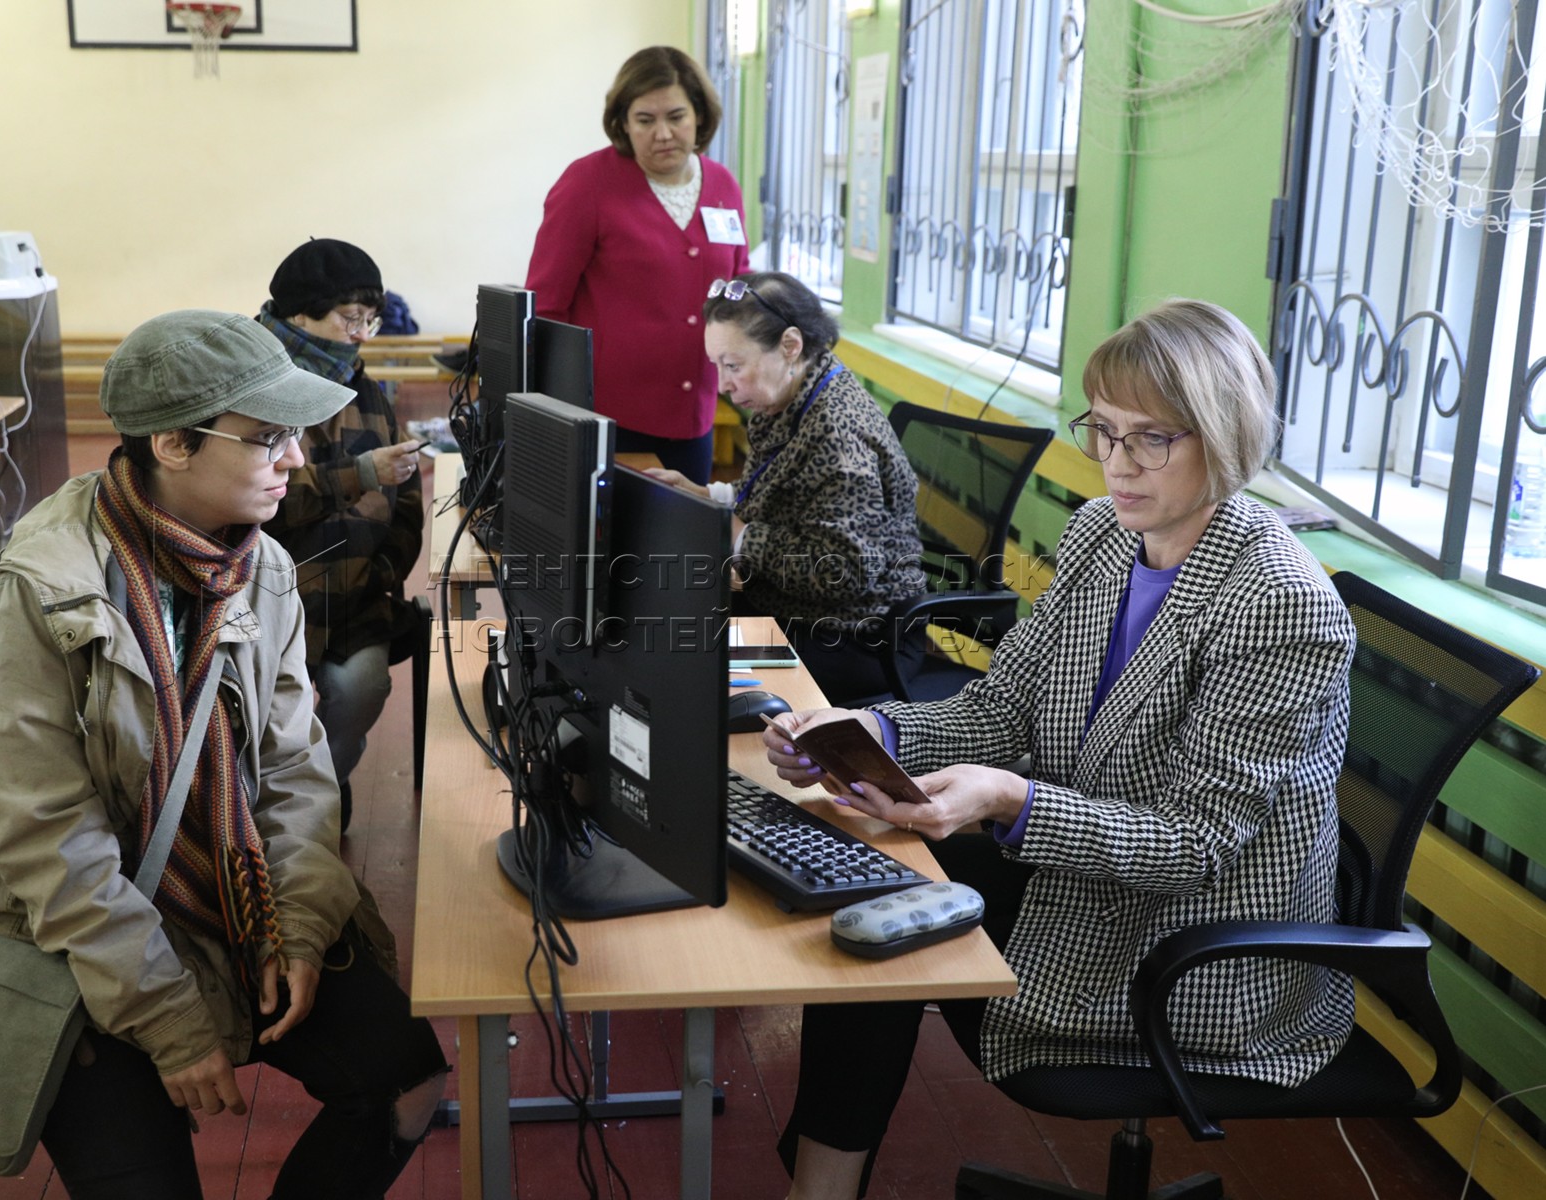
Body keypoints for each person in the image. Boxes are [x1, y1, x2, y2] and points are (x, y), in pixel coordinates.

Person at [762, 299, 1357, 1199]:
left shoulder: (1280, 603)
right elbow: (1004, 708)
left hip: (1195, 945)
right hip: (1096, 870)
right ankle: (820, 1187)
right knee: (876, 890)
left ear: (1225, 436)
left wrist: (1009, 800)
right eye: (1103, 432)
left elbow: (1194, 845)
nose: (1116, 465)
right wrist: (867, 732)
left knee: (889, 926)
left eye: (1150, 440)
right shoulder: (1101, 535)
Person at [0, 310, 447, 1199]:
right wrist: (168, 1018)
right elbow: (47, 842)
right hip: (75, 939)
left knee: (408, 1084)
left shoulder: (261, 566)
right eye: (268, 439)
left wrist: (299, 925)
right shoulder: (41, 593)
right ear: (172, 444)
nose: (295, 459)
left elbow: (293, 771)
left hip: (231, 892)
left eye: (295, 435)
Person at [648, 271, 926, 704]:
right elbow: (786, 490)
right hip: (796, 611)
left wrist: (738, 534)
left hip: (856, 638)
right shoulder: (793, 391)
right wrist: (707, 496)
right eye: (717, 366)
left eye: (733, 365)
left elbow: (845, 571)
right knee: (662, 621)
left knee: (679, 657)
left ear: (790, 346)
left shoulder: (838, 435)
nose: (722, 385)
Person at [257, 239, 426, 832]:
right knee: (266, 710)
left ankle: (326, 789)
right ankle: (273, 806)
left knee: (361, 688)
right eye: (350, 319)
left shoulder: (367, 391)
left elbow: (407, 510)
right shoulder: (256, 388)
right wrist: (358, 475)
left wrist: (381, 576)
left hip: (354, 596)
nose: (363, 335)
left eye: (370, 320)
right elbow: (255, 505)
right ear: (299, 315)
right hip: (263, 604)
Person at [525, 45, 751, 484]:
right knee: (610, 550)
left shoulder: (723, 185)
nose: (663, 133)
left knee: (685, 546)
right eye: (645, 120)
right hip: (606, 418)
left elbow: (737, 283)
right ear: (623, 124)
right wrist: (554, 413)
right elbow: (546, 306)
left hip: (694, 413)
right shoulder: (588, 183)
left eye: (676, 117)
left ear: (699, 116)